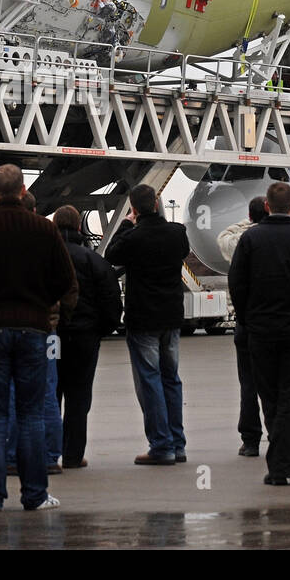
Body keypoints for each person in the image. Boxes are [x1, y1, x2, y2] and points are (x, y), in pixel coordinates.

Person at [0, 164, 74, 511]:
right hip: (34, 330)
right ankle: (35, 494)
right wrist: (38, 301)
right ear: (23, 191)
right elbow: (65, 279)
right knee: (31, 414)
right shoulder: (44, 230)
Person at [228, 182, 290, 485]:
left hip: (260, 331)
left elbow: (237, 283)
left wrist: (247, 319)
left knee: (269, 397)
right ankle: (289, 466)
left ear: (267, 207)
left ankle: (282, 466)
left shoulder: (250, 240)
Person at [105, 183, 190, 466]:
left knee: (150, 381)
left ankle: (161, 445)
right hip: (171, 319)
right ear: (156, 204)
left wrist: (127, 226)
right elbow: (179, 246)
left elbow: (111, 255)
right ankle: (177, 444)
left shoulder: (134, 237)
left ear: (133, 209)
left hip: (143, 319)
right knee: (171, 380)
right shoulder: (178, 234)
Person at [52, 205, 122, 469]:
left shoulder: (46, 256)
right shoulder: (94, 260)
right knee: (79, 396)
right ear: (80, 227)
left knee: (51, 393)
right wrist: (99, 330)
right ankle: (72, 455)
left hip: (52, 337)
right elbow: (111, 301)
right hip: (84, 337)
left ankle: (50, 454)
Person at [217, 198, 268, 457]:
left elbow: (222, 236)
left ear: (250, 216)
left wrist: (248, 221)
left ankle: (250, 440)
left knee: (248, 385)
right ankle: (281, 435)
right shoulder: (286, 239)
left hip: (247, 322)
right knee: (278, 386)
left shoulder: (237, 242)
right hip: (277, 323)